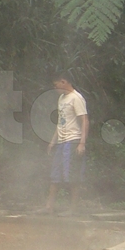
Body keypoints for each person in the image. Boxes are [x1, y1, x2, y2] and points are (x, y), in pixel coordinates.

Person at [44, 72, 88, 214]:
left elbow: (84, 120)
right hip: (61, 141)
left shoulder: (76, 98)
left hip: (73, 140)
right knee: (55, 175)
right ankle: (49, 207)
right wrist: (53, 141)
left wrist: (82, 143)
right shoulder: (62, 99)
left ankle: (73, 209)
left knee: (73, 175)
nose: (55, 88)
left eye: (56, 85)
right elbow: (61, 122)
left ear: (63, 82)